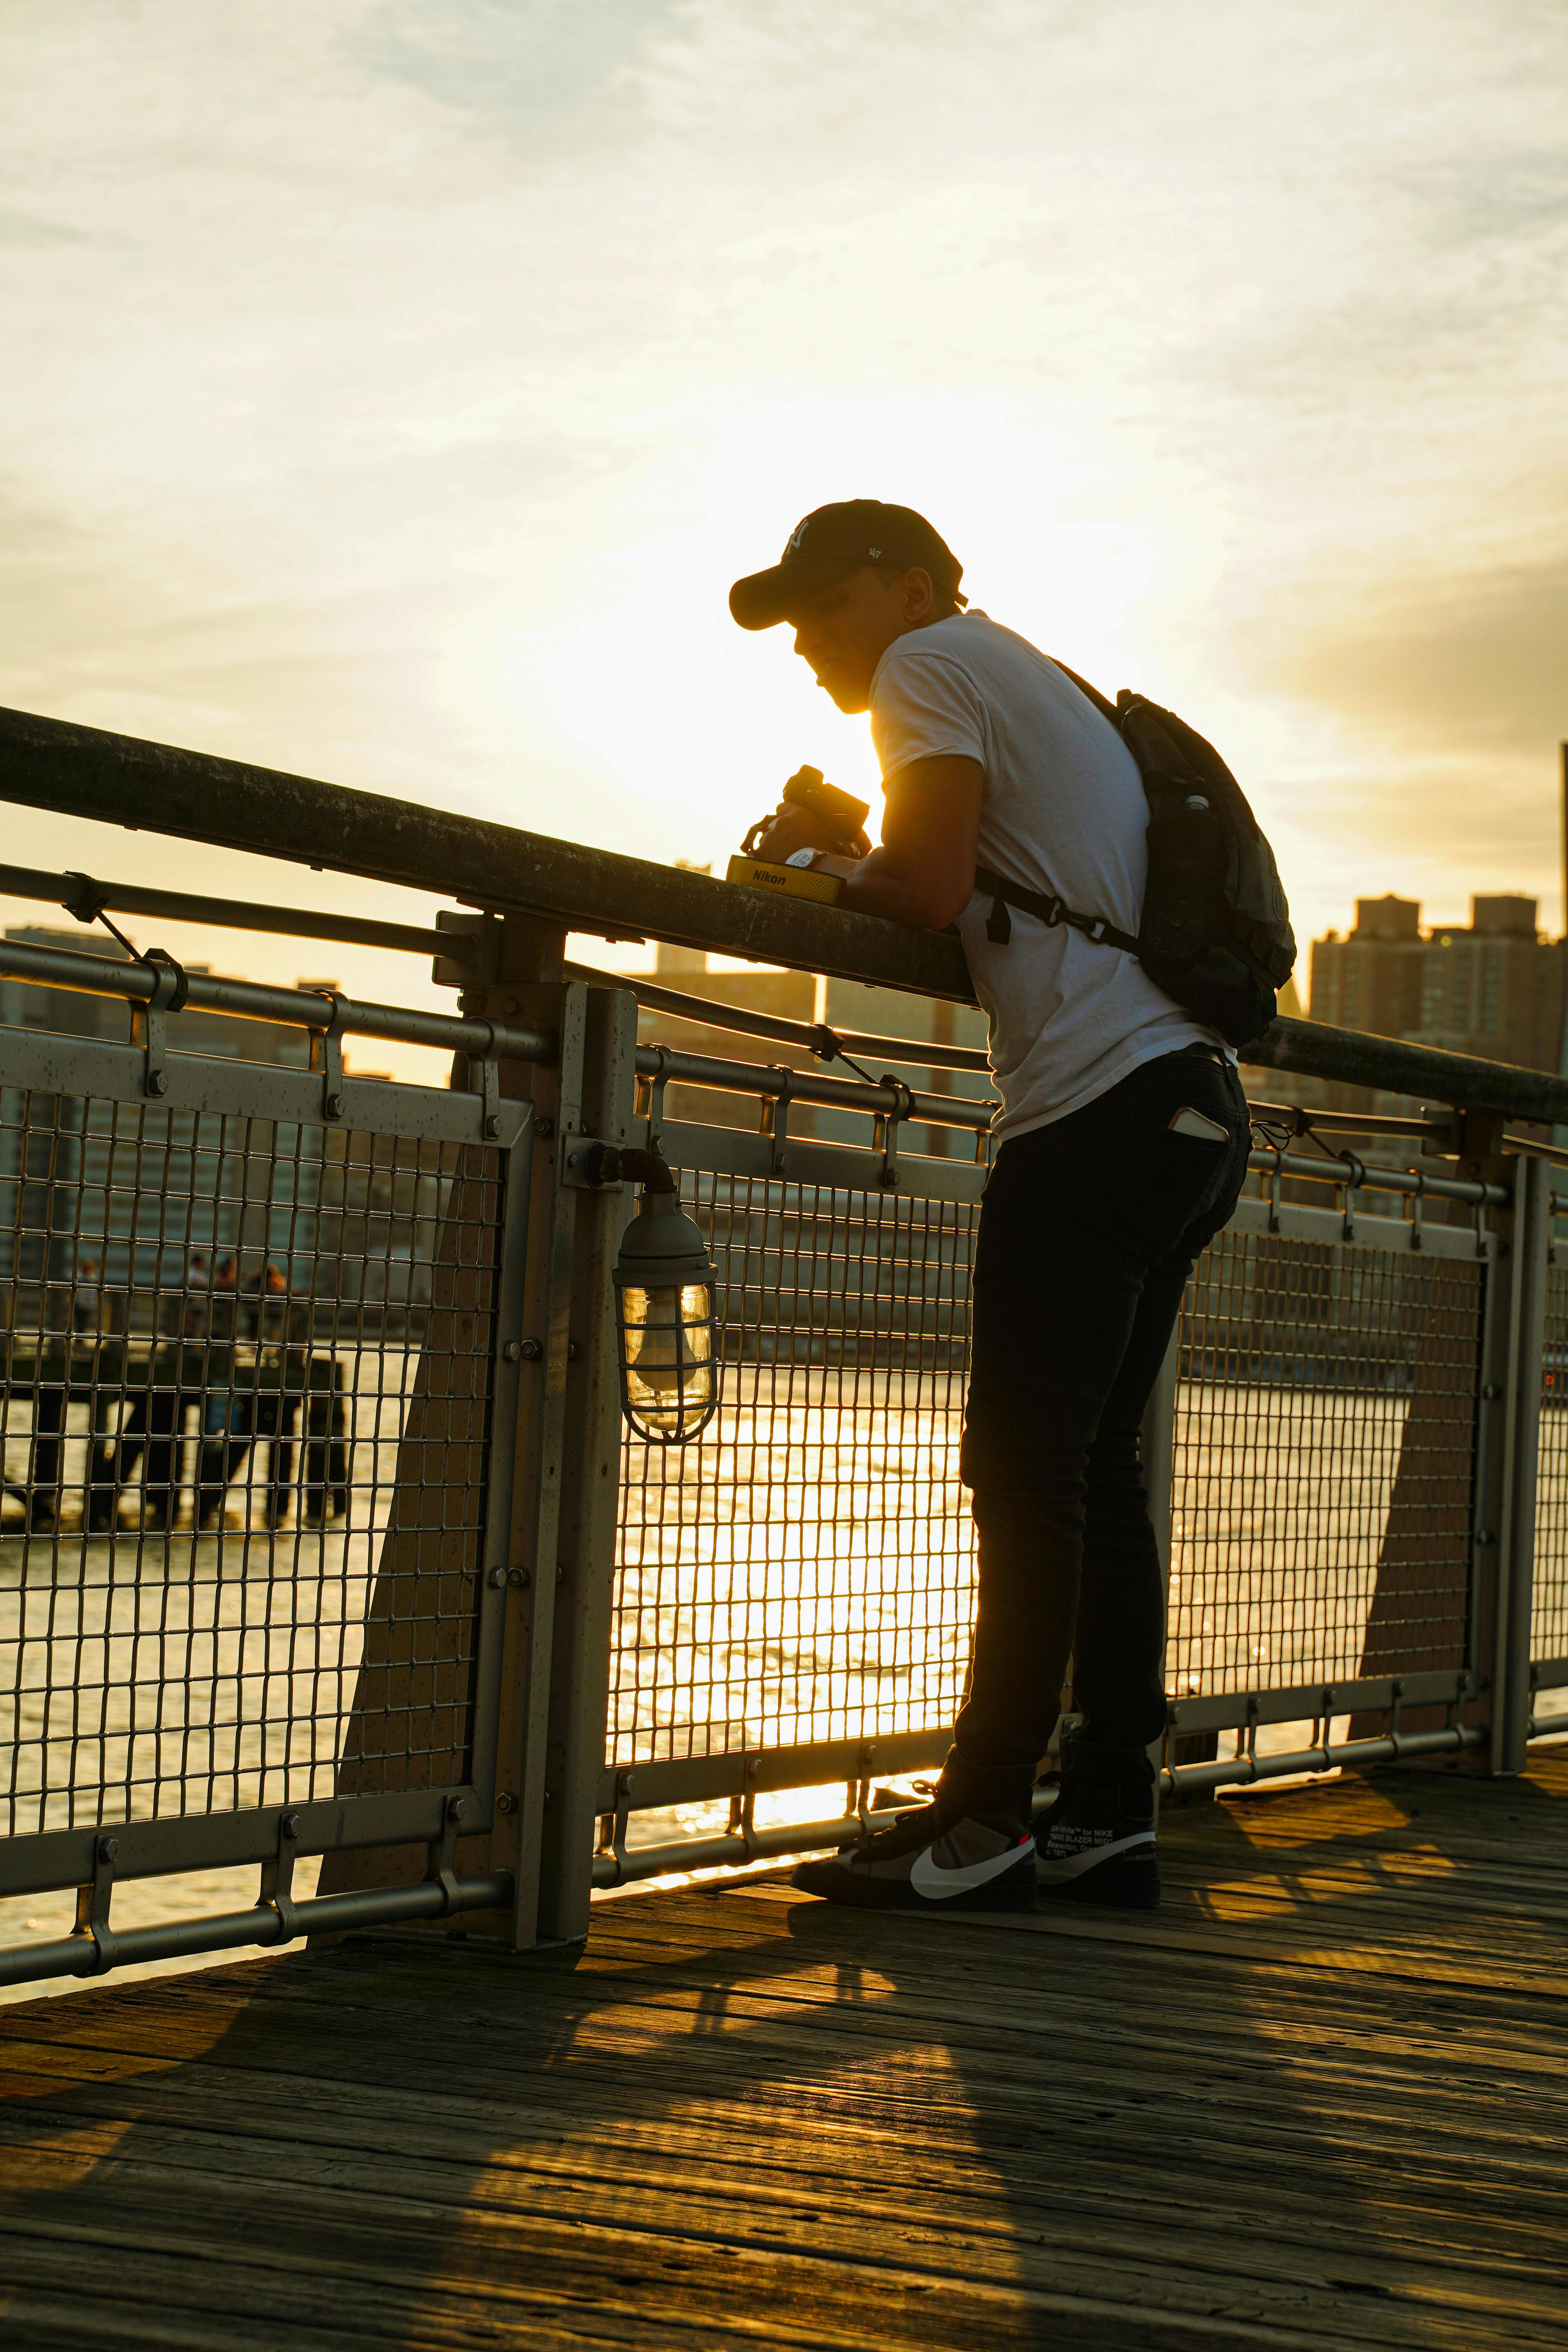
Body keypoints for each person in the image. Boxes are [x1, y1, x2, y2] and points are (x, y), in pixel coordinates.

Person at [729, 500, 1252, 1911]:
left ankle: (981, 1823)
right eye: (789, 623)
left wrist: (816, 871)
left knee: (1022, 1478)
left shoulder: (927, 666)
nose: (809, 644)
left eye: (824, 607)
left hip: (1092, 1115)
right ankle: (1103, 1811)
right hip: (1190, 1103)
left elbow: (928, 883)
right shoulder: (1038, 678)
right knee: (1091, 1479)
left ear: (910, 586)